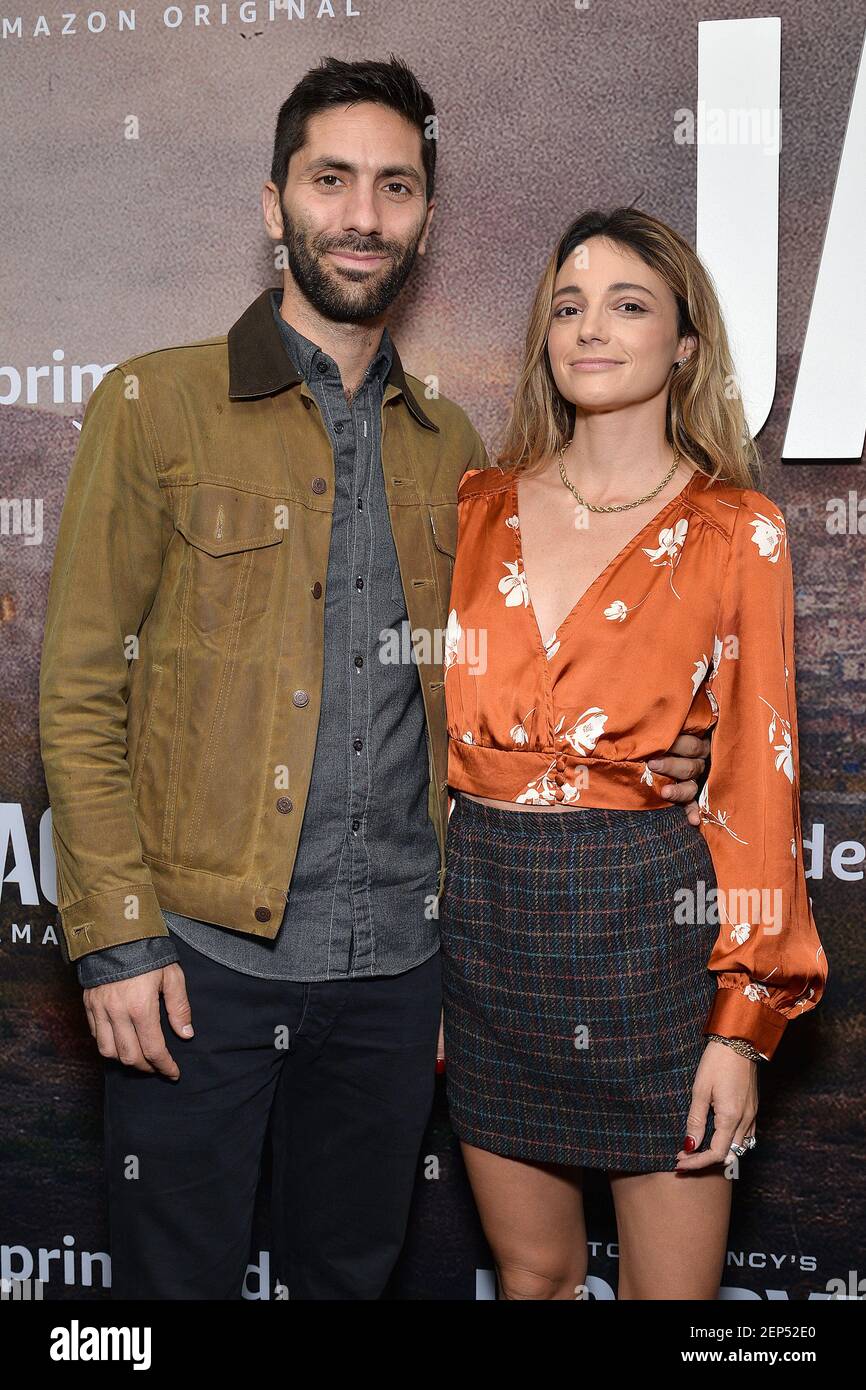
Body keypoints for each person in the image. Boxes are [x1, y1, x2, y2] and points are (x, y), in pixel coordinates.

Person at [39, 62, 709, 1300]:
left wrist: (670, 744)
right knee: (168, 1287)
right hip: (198, 964)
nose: (362, 214)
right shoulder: (156, 404)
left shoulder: (449, 443)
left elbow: (505, 686)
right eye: (331, 179)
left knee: (351, 1278)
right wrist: (115, 938)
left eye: (395, 186)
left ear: (424, 217)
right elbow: (81, 692)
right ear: (272, 201)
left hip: (400, 973)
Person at [439, 207, 829, 1301]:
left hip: (650, 935)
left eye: (626, 305)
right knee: (533, 1277)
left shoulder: (735, 530)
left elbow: (755, 779)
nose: (589, 329)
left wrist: (741, 1029)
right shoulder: (471, 510)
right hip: (487, 930)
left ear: (684, 343)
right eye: (567, 306)